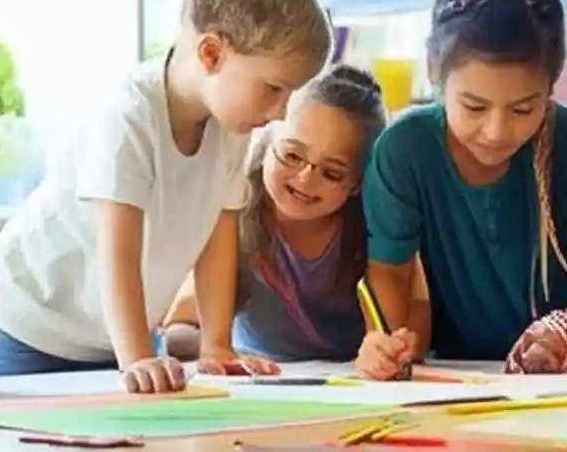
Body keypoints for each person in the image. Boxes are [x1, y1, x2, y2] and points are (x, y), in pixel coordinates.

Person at [0, 0, 332, 392]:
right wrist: (137, 358)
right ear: (211, 53)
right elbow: (118, 251)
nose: (280, 111)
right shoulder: (129, 116)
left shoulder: (231, 125)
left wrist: (217, 343)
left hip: (118, 332)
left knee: (130, 447)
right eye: (273, 88)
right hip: (37, 325)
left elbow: (219, 232)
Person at [352, 0, 567, 380]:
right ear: (434, 73)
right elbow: (389, 269)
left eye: (523, 108)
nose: (496, 131)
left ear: (552, 87)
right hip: (452, 371)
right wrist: (384, 341)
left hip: (561, 374)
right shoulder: (405, 148)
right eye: (474, 106)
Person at [160, 65, 429, 364]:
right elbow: (178, 325)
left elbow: (417, 308)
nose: (304, 179)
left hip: (356, 381)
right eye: (292, 155)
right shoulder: (233, 217)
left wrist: (397, 348)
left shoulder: (378, 225)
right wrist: (221, 351)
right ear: (267, 142)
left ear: (358, 184)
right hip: (262, 384)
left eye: (331, 173)